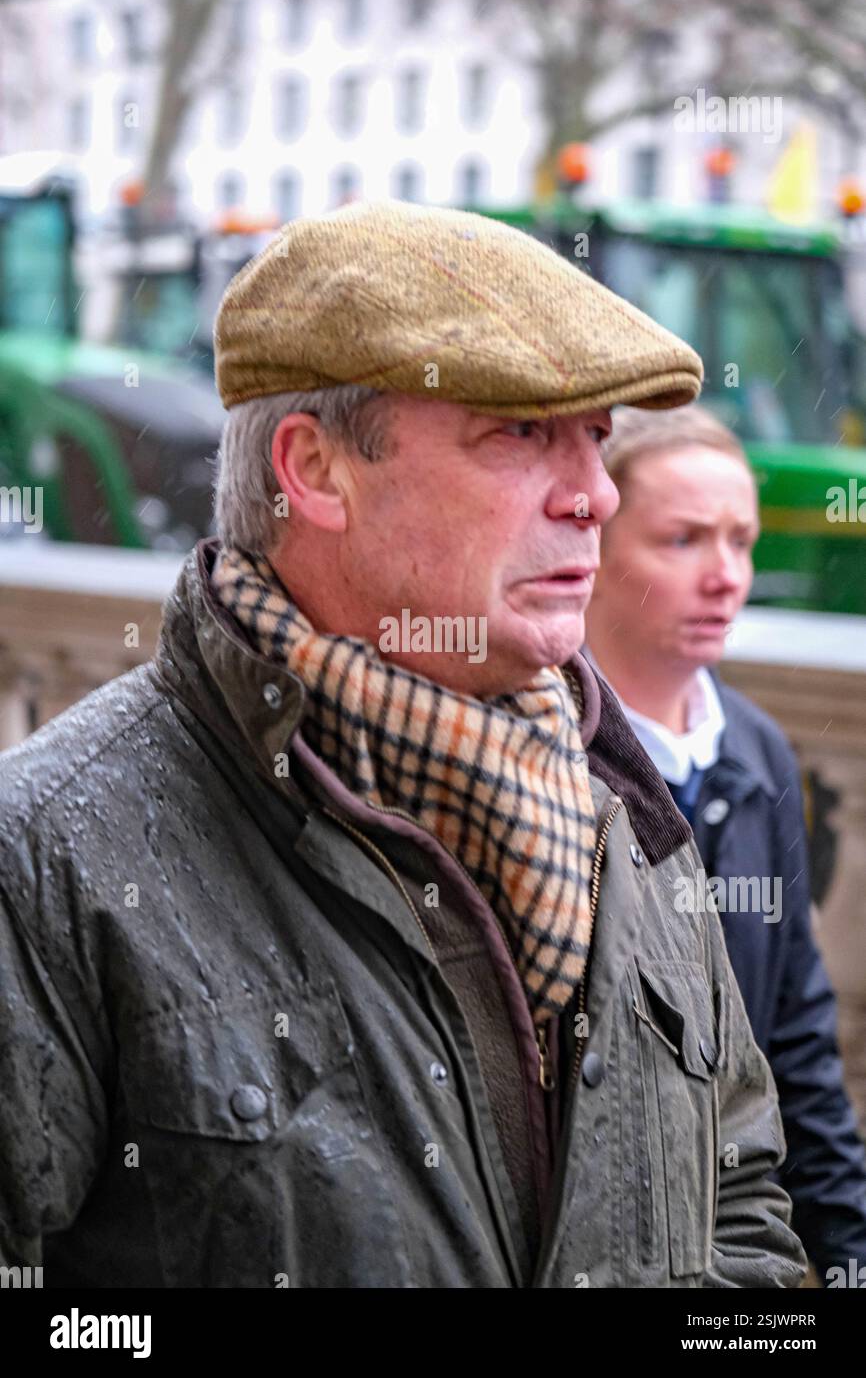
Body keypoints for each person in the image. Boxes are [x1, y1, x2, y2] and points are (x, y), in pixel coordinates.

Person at [0, 201, 806, 1288]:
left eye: (596, 437)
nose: (595, 493)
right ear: (317, 470)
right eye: (522, 432)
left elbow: (742, 1198)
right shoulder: (47, 857)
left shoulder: (627, 810)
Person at [584, 402, 866, 1286]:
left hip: (731, 1255)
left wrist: (850, 1253)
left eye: (741, 542)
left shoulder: (759, 753)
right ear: (590, 547)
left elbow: (796, 1040)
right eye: (683, 542)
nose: (728, 578)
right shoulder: (544, 748)